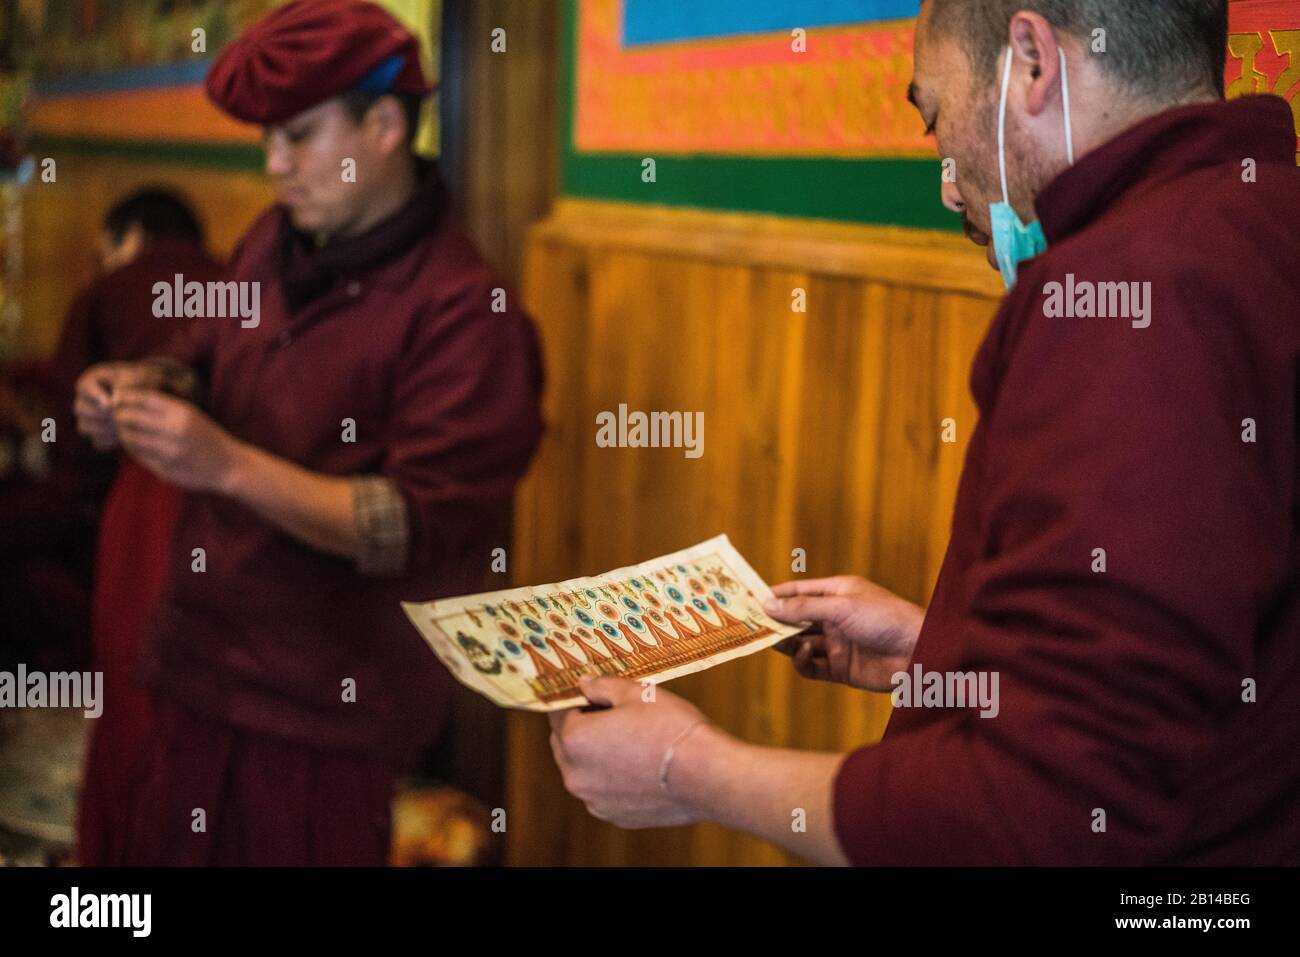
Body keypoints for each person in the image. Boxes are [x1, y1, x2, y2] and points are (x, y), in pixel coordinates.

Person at [547, 0, 1300, 865]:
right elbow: (1181, 673)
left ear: (1030, 61)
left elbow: (1043, 810)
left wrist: (688, 768)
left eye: (939, 123)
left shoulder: (1122, 297)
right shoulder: (1264, 220)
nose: (948, 185)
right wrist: (939, 651)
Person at [74, 0, 543, 865]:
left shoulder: (467, 311)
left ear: (388, 124)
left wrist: (226, 466)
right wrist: (141, 385)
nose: (275, 164)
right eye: (267, 140)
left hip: (322, 710)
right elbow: (204, 349)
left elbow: (409, 524)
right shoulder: (269, 242)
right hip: (194, 661)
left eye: (299, 136)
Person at [63, 188, 225, 866]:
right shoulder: (233, 279)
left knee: (134, 696)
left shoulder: (108, 289)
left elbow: (79, 457)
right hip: (236, 505)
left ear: (127, 237)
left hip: (155, 491)